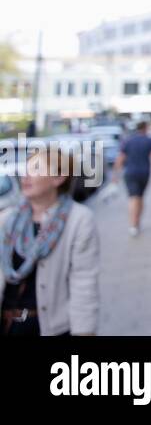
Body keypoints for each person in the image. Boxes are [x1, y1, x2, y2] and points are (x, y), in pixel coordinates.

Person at [0, 144, 100, 336]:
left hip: (47, 327)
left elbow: (84, 282)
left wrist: (84, 332)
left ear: (58, 178)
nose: (26, 177)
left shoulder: (78, 220)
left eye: (36, 169)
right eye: (26, 170)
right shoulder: (7, 219)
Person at [114, 122, 151, 237]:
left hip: (130, 173)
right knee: (139, 198)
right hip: (144, 173)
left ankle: (133, 224)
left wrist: (115, 175)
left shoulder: (128, 141)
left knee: (133, 198)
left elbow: (120, 158)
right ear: (145, 128)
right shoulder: (149, 140)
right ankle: (136, 222)